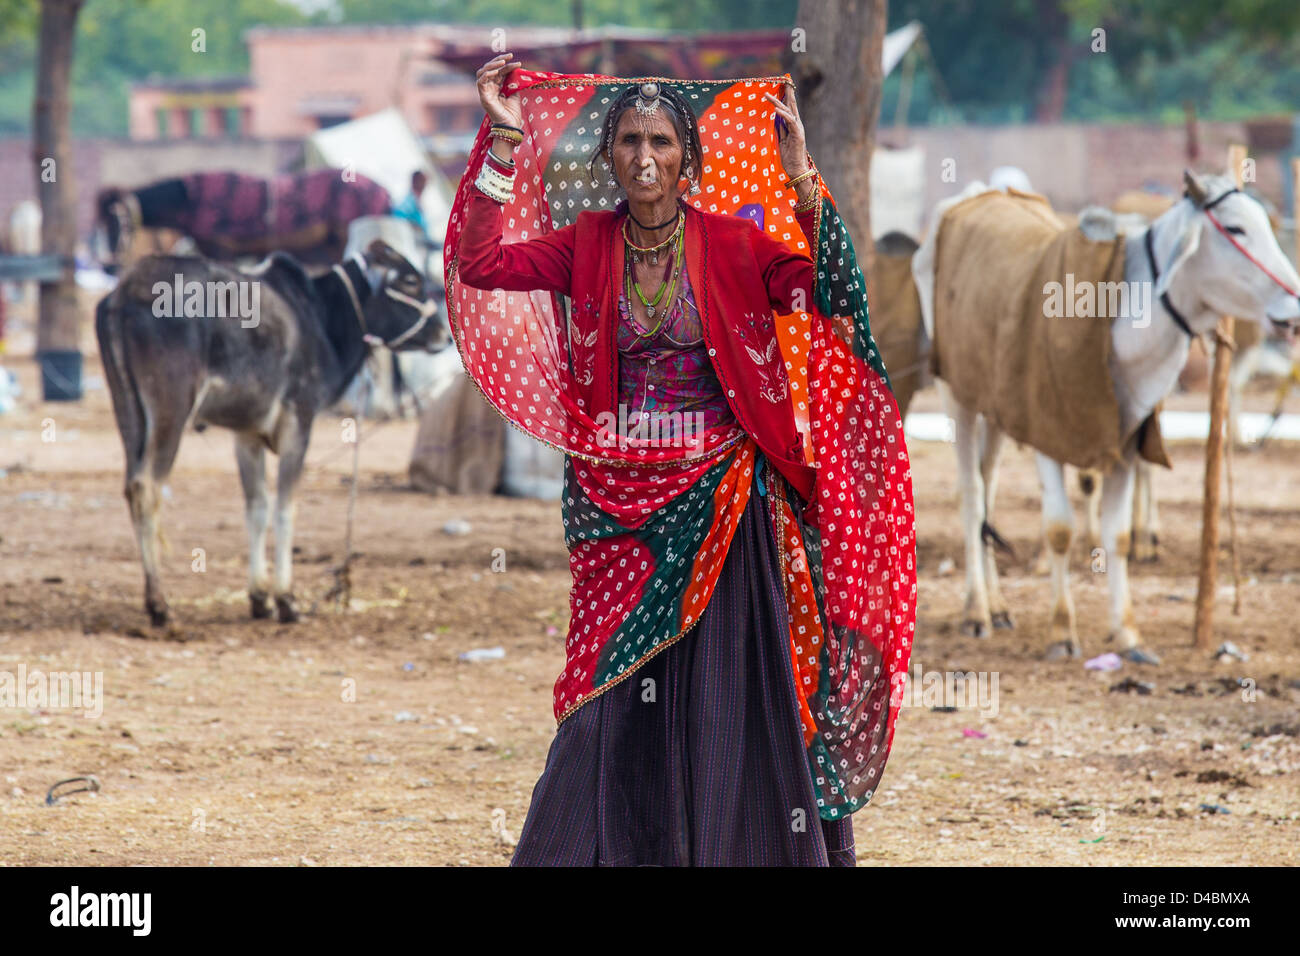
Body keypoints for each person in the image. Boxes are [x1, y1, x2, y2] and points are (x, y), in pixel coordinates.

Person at [449, 53, 916, 866]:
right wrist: (503, 136)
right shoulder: (584, 245)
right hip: (619, 501)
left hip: (730, 495)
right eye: (628, 141)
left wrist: (805, 180)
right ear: (608, 158)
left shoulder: (736, 245)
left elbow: (831, 291)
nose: (643, 158)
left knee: (734, 690)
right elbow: (482, 264)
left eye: (661, 142)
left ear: (685, 158)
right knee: (607, 692)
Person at [393, 169, 430, 239]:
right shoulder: (408, 201)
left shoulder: (418, 201)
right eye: (423, 181)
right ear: (416, 181)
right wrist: (414, 227)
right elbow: (398, 218)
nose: (425, 184)